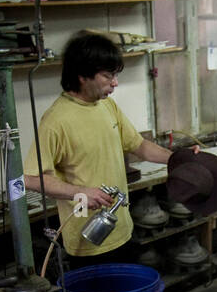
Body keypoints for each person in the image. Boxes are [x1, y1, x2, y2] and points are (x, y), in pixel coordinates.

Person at [24, 32, 191, 268]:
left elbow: (139, 146)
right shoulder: (55, 121)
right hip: (88, 238)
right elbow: (31, 179)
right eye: (108, 75)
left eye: (115, 75)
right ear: (82, 75)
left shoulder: (107, 106)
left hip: (122, 228)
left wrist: (178, 160)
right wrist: (81, 192)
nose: (115, 83)